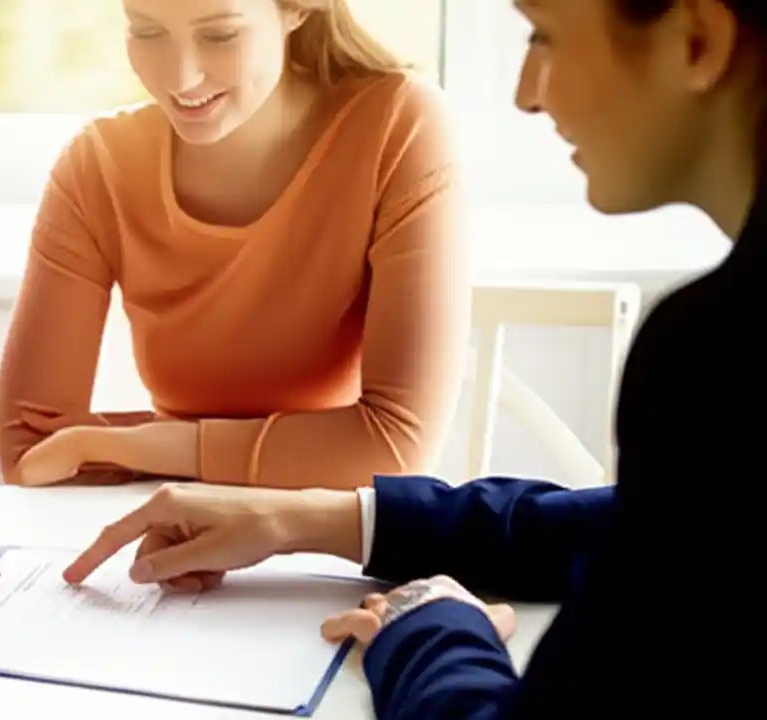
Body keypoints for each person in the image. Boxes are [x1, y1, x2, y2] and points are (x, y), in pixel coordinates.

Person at [63, 0, 764, 716]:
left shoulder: (715, 353)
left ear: (698, 42)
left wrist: (431, 630)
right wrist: (314, 521)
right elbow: (626, 523)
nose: (525, 91)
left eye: (544, 36)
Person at [0, 0, 472, 490]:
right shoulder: (99, 165)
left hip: (331, 543)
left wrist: (115, 445)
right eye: (148, 32)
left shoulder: (398, 123)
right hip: (173, 528)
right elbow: (31, 451)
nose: (181, 78)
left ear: (297, 10)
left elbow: (394, 452)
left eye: (220, 36)